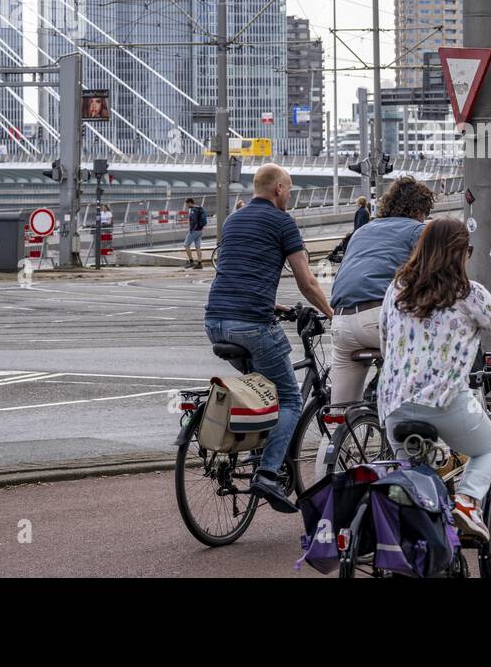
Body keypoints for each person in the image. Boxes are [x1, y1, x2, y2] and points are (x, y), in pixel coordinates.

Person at [379, 218, 491, 540]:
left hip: (393, 402)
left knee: (414, 480)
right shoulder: (469, 294)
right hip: (443, 400)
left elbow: (386, 340)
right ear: (458, 253)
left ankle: (420, 545)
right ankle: (467, 504)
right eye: (467, 250)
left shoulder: (396, 289)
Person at [204, 164, 335, 513]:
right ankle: (267, 472)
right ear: (278, 188)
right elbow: (307, 282)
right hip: (251, 324)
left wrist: (276, 305)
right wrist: (333, 313)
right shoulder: (282, 222)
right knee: (290, 399)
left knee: (259, 391)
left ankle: (254, 450)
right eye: (289, 189)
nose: (289, 196)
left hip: (215, 321)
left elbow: (238, 274)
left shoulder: (234, 220)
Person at [328, 176, 434, 408]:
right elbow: (431, 279)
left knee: (340, 410)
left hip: (341, 321)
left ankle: (334, 442)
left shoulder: (362, 231)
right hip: (378, 318)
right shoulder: (418, 230)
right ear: (418, 210)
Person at [183, 198, 207, 269]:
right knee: (198, 247)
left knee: (186, 245)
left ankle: (191, 262)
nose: (187, 205)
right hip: (200, 230)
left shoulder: (193, 210)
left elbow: (193, 221)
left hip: (195, 231)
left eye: (187, 204)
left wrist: (191, 230)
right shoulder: (199, 208)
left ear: (190, 203)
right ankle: (199, 263)